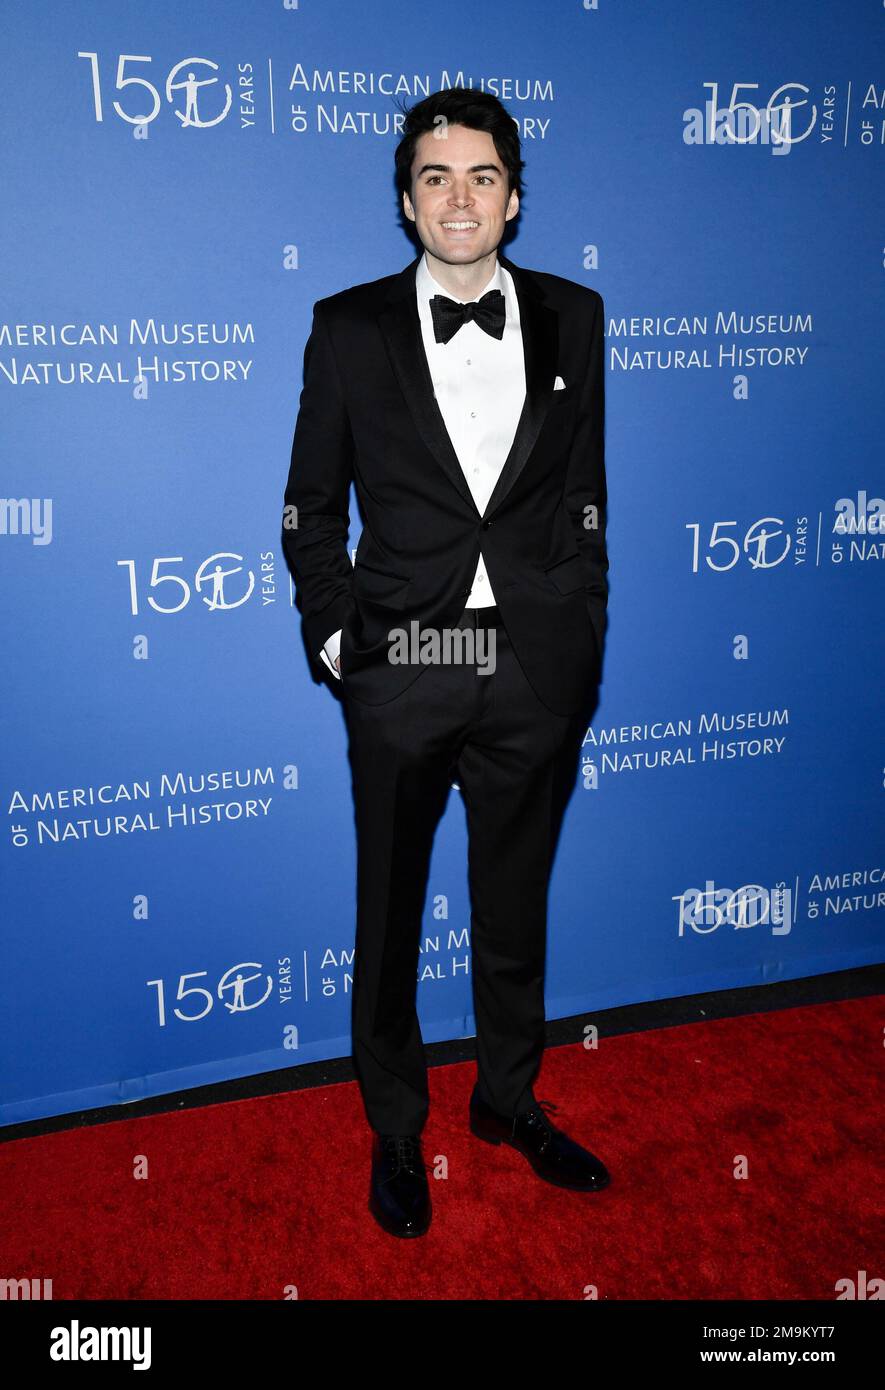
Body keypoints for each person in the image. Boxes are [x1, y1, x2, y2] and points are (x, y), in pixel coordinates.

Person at [282, 87, 610, 1238]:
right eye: (435, 177)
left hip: (531, 662)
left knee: (514, 903)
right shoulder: (349, 325)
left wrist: (578, 642)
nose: (459, 197)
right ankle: (393, 1125)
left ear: (513, 199)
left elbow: (585, 502)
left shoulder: (578, 314)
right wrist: (341, 642)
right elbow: (310, 509)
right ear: (407, 201)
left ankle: (507, 1100)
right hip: (407, 658)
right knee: (392, 908)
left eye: (482, 176)